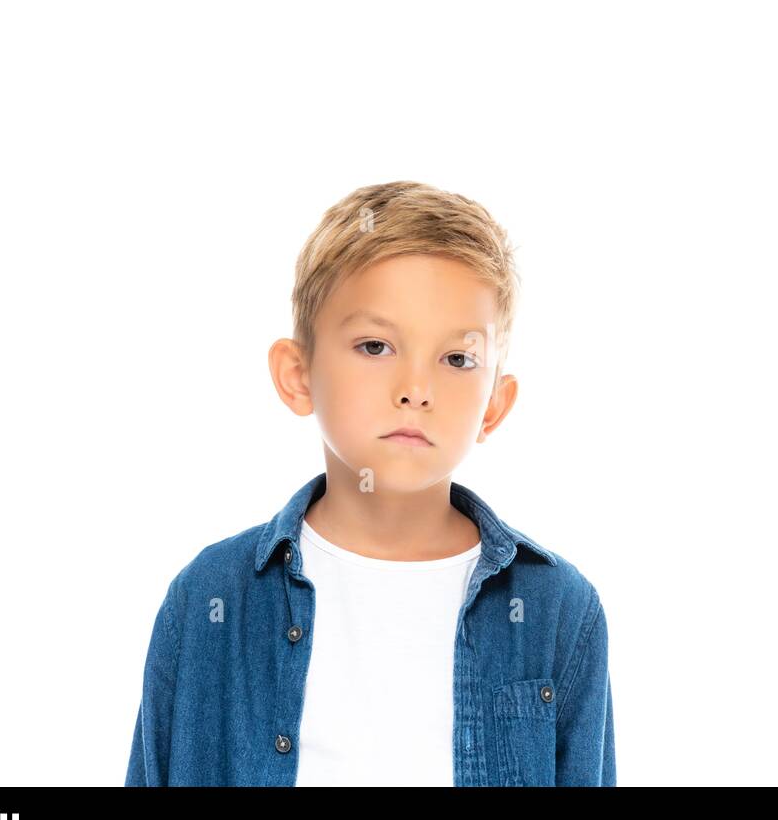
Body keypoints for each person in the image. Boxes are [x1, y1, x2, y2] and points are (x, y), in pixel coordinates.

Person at [125, 181, 615, 786]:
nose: (415, 388)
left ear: (494, 403)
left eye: (457, 358)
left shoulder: (558, 610)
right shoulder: (209, 597)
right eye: (376, 345)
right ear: (298, 374)